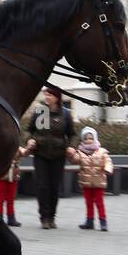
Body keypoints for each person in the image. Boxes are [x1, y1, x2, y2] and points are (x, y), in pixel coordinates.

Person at [24, 86, 75, 229]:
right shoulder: (41, 112)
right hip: (41, 154)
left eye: (50, 95)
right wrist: (30, 139)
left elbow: (71, 134)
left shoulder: (65, 114)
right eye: (45, 95)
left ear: (57, 97)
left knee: (54, 187)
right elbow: (30, 131)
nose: (47, 97)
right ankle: (44, 218)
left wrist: (71, 146)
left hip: (58, 155)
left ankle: (52, 217)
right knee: (43, 186)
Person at [67, 127, 112, 231]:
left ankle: (103, 221)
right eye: (86, 138)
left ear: (95, 138)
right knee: (89, 202)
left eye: (91, 138)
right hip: (86, 182)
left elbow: (108, 161)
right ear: (83, 140)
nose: (88, 140)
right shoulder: (80, 152)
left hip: (98, 182)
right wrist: (70, 154)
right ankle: (89, 221)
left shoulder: (101, 152)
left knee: (99, 203)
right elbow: (74, 160)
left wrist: (107, 169)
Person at [0, 145, 25, 227]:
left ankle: (11, 218)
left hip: (13, 173)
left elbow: (24, 153)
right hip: (0, 173)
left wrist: (27, 148)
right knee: (0, 197)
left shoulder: (16, 144)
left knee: (11, 197)